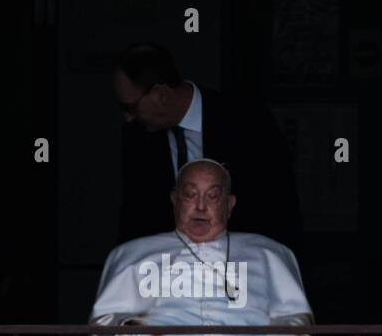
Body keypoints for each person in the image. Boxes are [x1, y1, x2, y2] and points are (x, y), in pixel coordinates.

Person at [90, 159, 312, 336]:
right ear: (174, 200)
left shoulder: (267, 253)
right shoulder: (135, 254)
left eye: (213, 196)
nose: (201, 206)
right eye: (190, 194)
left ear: (230, 205)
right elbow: (105, 321)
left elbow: (294, 315)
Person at [110, 43, 303, 247]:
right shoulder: (138, 137)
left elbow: (279, 207)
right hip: (168, 269)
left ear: (161, 95)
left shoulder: (247, 122)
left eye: (130, 107)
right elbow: (135, 216)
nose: (127, 117)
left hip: (240, 264)